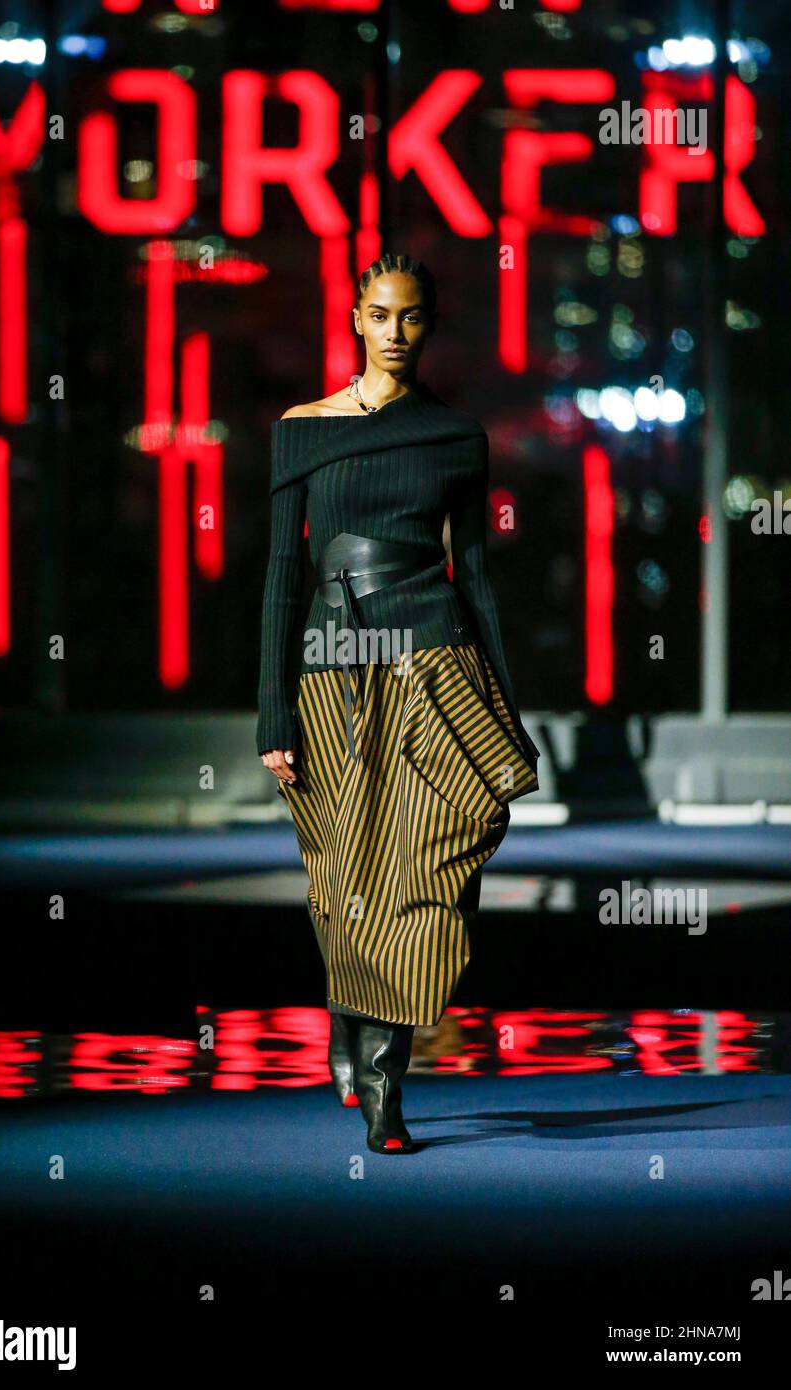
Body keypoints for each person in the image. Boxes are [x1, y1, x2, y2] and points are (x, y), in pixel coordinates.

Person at [257, 252, 540, 1153]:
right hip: (333, 663)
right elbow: (279, 574)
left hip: (431, 659)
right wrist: (271, 712)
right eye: (380, 314)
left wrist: (507, 708)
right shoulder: (301, 431)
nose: (394, 332)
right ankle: (350, 1010)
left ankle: (384, 1087)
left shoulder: (455, 436)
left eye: (411, 317)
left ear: (428, 325)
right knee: (342, 878)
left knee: (422, 869)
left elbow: (480, 580)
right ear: (354, 318)